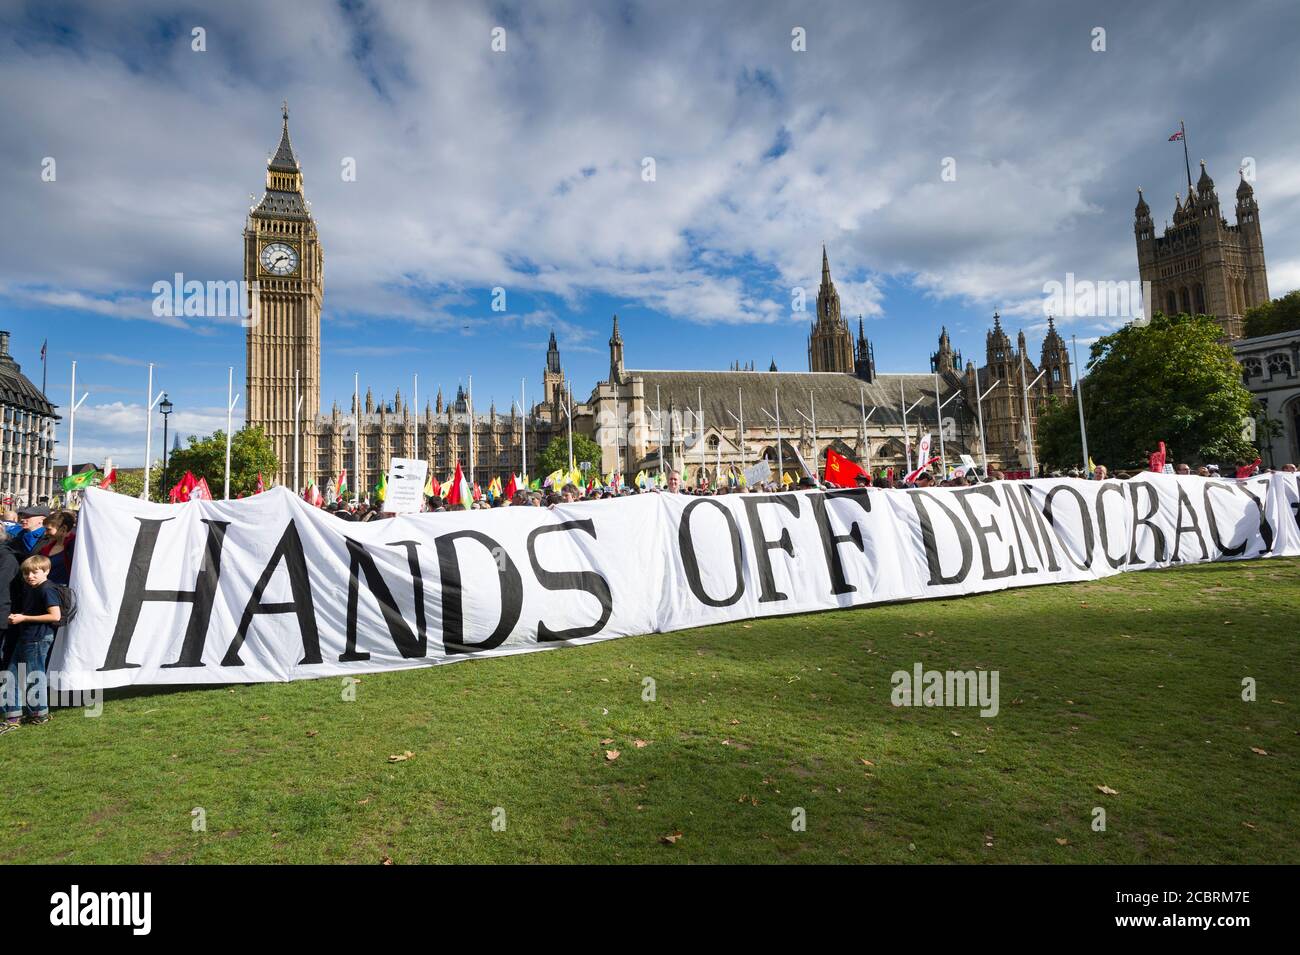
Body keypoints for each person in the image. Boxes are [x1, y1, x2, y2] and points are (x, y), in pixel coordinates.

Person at [1, 555, 62, 732]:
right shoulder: (30, 588)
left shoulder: (47, 589)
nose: (30, 576)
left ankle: (40, 714)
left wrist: (24, 618)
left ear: (46, 571)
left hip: (38, 638)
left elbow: (55, 616)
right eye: (26, 573)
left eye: (35, 572)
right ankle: (13, 715)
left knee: (34, 677)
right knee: (12, 674)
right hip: (26, 637)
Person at [38, 511, 76, 586]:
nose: (45, 533)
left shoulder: (75, 547)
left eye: (48, 529)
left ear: (63, 528)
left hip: (63, 593)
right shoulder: (46, 547)